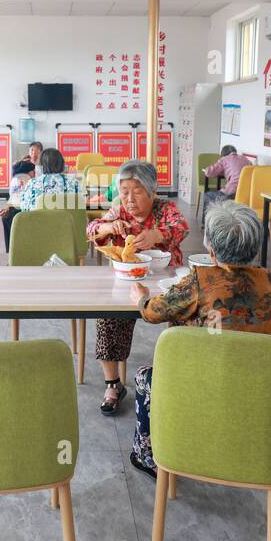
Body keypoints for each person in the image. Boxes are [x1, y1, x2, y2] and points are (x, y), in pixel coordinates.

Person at [124, 202, 271, 478]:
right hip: (257, 388)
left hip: (203, 387)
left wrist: (140, 298)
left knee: (145, 377)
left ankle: (147, 455)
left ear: (210, 249)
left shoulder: (199, 280)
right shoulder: (268, 280)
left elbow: (153, 312)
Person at [85, 159, 190, 415]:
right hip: (127, 284)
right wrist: (108, 226)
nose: (129, 199)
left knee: (187, 316)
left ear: (153, 192)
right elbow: (91, 230)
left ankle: (178, 381)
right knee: (108, 318)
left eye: (137, 191)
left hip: (166, 285)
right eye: (124, 191)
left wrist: (158, 235)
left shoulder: (166, 210)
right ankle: (113, 385)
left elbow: (182, 227)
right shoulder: (118, 211)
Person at [18, 147, 82, 211]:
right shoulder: (73, 182)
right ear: (61, 163)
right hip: (67, 220)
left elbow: (24, 207)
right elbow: (81, 204)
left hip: (38, 220)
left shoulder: (32, 183)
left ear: (41, 165)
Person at [0, 159, 37, 252]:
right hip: (21, 209)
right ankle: (11, 252)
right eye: (32, 172)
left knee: (10, 217)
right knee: (6, 217)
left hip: (30, 211)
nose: (34, 173)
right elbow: (13, 197)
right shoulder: (19, 181)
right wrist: (7, 208)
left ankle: (18, 251)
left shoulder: (33, 182)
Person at [200, 145, 252, 214]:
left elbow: (209, 173)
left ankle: (207, 222)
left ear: (223, 154)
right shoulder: (245, 159)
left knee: (207, 195)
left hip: (231, 192)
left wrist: (206, 170)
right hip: (246, 193)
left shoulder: (224, 159)